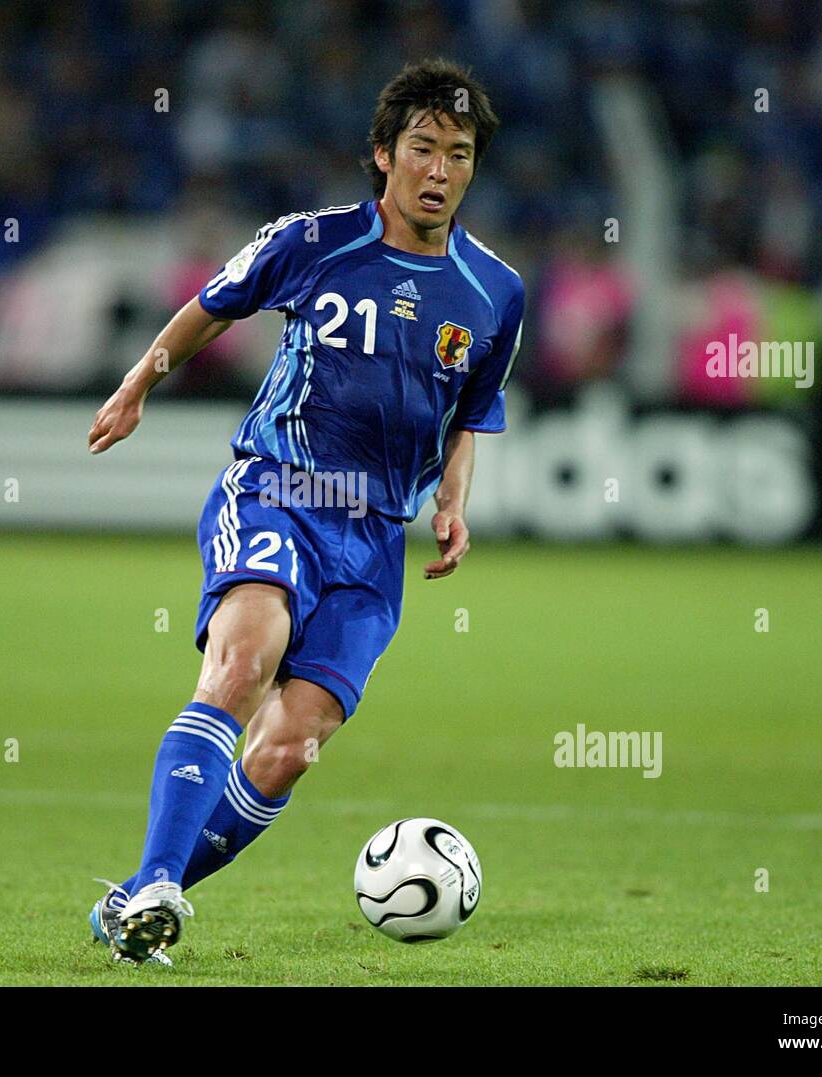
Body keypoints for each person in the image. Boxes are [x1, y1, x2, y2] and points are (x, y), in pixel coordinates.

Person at [85, 58, 524, 964]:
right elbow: (212, 307)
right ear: (384, 154)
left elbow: (470, 412)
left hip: (373, 538)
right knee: (244, 662)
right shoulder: (315, 240)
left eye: (460, 153)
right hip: (279, 487)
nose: (440, 169)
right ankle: (162, 878)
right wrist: (136, 386)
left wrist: (453, 500)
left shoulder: (495, 294)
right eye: (423, 148)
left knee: (288, 746)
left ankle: (134, 904)